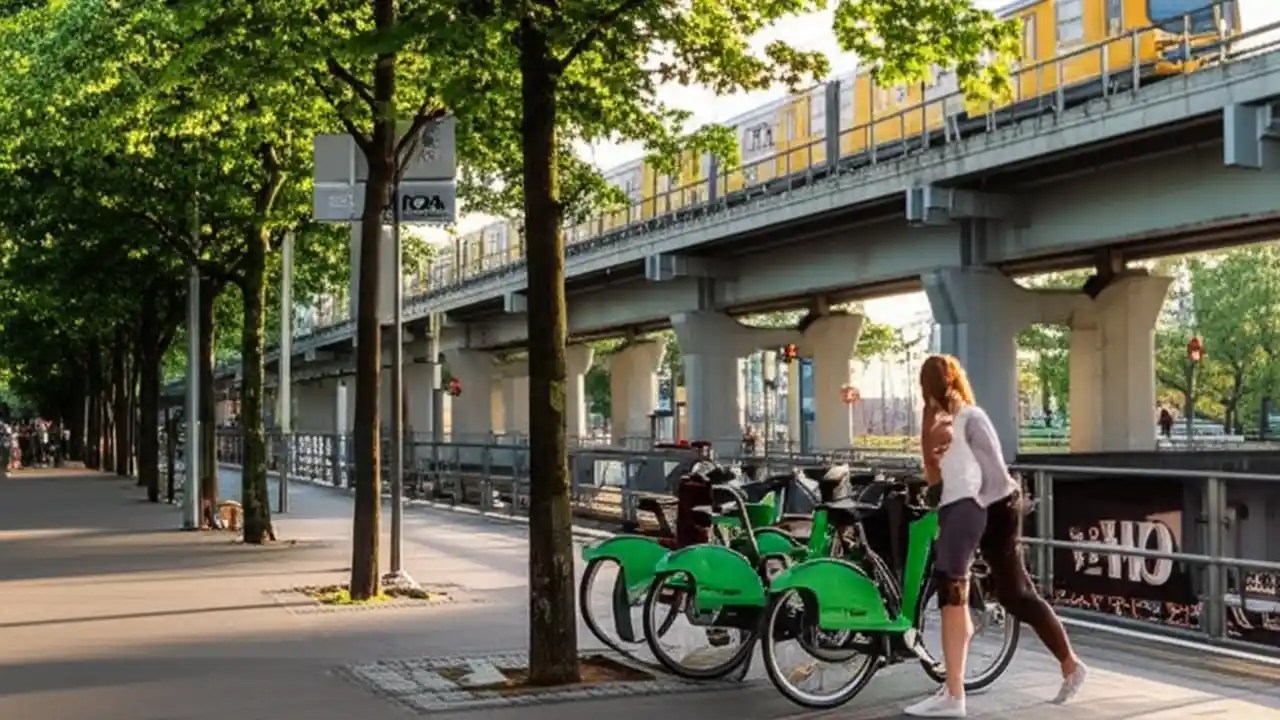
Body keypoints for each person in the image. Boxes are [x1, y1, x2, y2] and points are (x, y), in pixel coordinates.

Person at [905, 355, 1087, 718]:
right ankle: (1069, 664)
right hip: (977, 507)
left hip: (998, 507)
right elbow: (935, 470)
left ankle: (1066, 662)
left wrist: (967, 521)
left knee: (1012, 593)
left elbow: (992, 476)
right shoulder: (940, 419)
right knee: (1010, 592)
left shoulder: (971, 418)